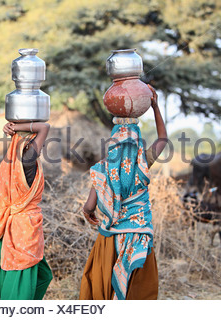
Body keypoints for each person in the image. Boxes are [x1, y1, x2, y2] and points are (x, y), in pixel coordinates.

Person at [79, 85, 167, 300]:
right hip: (139, 236)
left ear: (112, 143)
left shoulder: (103, 170)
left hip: (111, 238)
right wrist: (155, 107)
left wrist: (88, 212)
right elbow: (163, 139)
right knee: (138, 291)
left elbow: (89, 206)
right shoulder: (143, 163)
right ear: (137, 142)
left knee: (104, 285)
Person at [0, 121, 53, 300]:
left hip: (13, 226)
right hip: (24, 230)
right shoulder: (28, 159)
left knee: (17, 272)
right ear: (29, 143)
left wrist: (12, 128)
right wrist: (15, 128)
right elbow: (44, 127)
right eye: (38, 142)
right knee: (21, 277)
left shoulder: (12, 162)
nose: (43, 144)